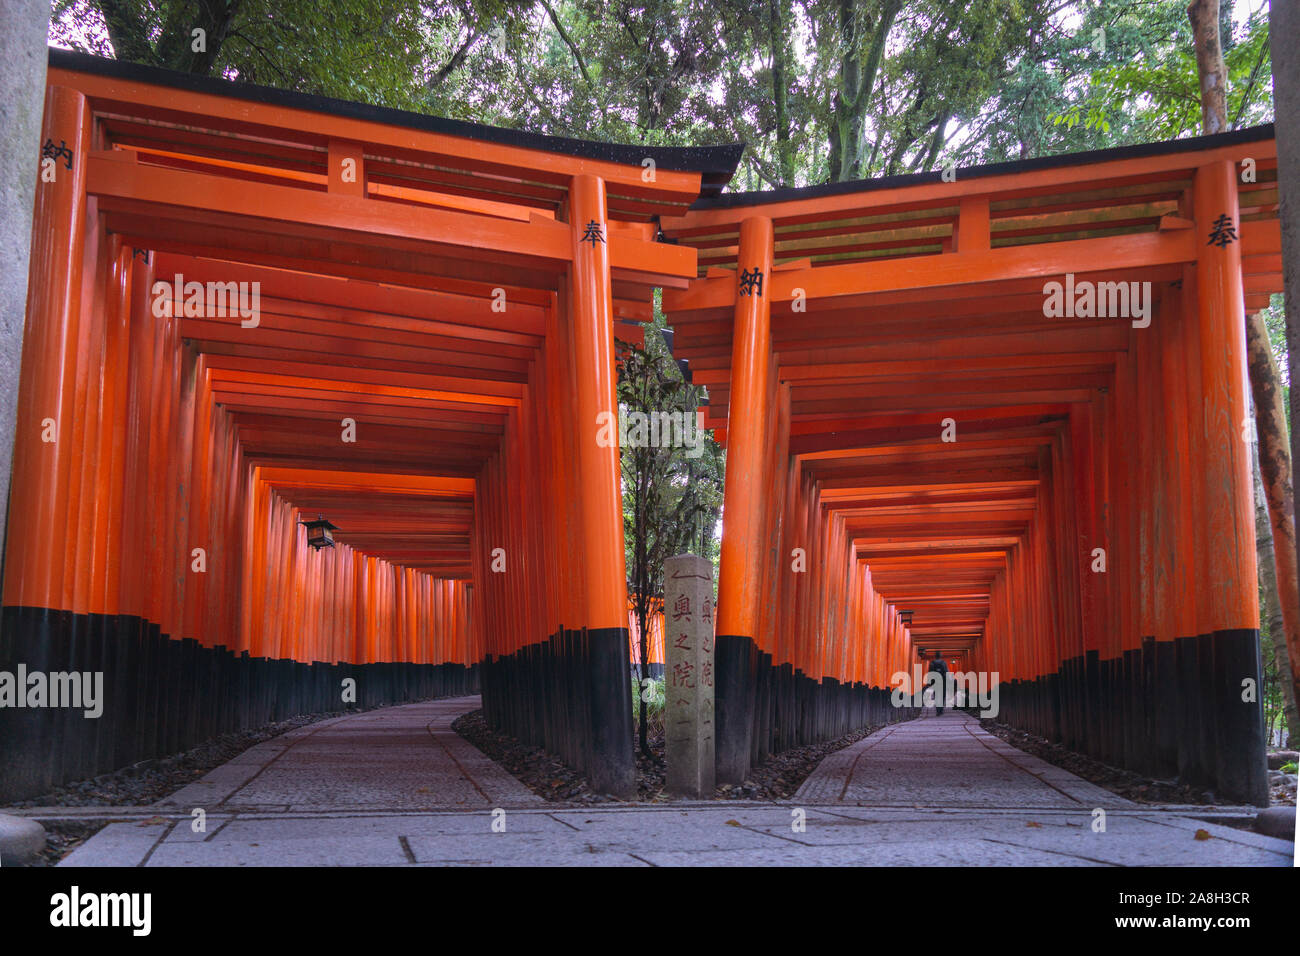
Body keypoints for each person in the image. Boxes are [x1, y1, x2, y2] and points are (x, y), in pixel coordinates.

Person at [927, 650, 949, 716]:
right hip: (943, 681)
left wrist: (929, 682)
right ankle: (941, 709)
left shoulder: (932, 663)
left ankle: (938, 710)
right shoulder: (943, 663)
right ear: (941, 656)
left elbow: (930, 673)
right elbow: (947, 672)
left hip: (935, 682)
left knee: (936, 695)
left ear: (935, 656)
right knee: (942, 695)